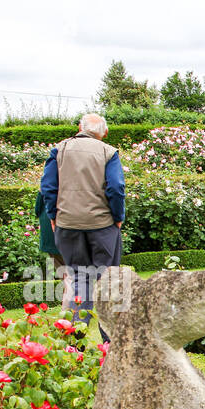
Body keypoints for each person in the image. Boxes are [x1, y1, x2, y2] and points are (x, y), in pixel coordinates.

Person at [39, 112, 124, 338]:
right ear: (104, 133)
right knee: (106, 281)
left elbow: (47, 187)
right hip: (102, 227)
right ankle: (109, 342)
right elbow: (115, 188)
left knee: (80, 280)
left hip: (68, 227)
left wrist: (54, 216)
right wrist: (118, 217)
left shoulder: (60, 150)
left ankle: (76, 343)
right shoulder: (109, 152)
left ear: (79, 127)